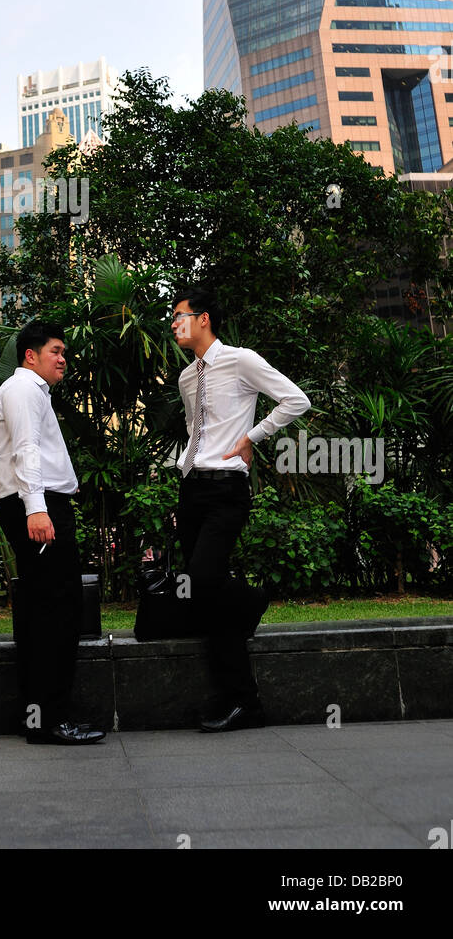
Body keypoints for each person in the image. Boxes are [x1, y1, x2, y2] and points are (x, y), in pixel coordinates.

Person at [171, 286, 310, 733]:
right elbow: (197, 432)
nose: (174, 324)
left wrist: (253, 437)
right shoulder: (187, 378)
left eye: (180, 316)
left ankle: (243, 693)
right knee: (203, 594)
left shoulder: (241, 360)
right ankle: (238, 701)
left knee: (205, 580)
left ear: (204, 318)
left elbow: (296, 399)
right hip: (191, 488)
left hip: (227, 490)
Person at [0, 319, 105, 746]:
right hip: (36, 507)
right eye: (56, 351)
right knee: (57, 613)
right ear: (30, 355)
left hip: (39, 504)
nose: (63, 359)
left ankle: (39, 717)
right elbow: (26, 451)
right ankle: (52, 720)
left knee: (46, 612)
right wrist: (37, 510)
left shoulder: (32, 392)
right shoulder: (21, 389)